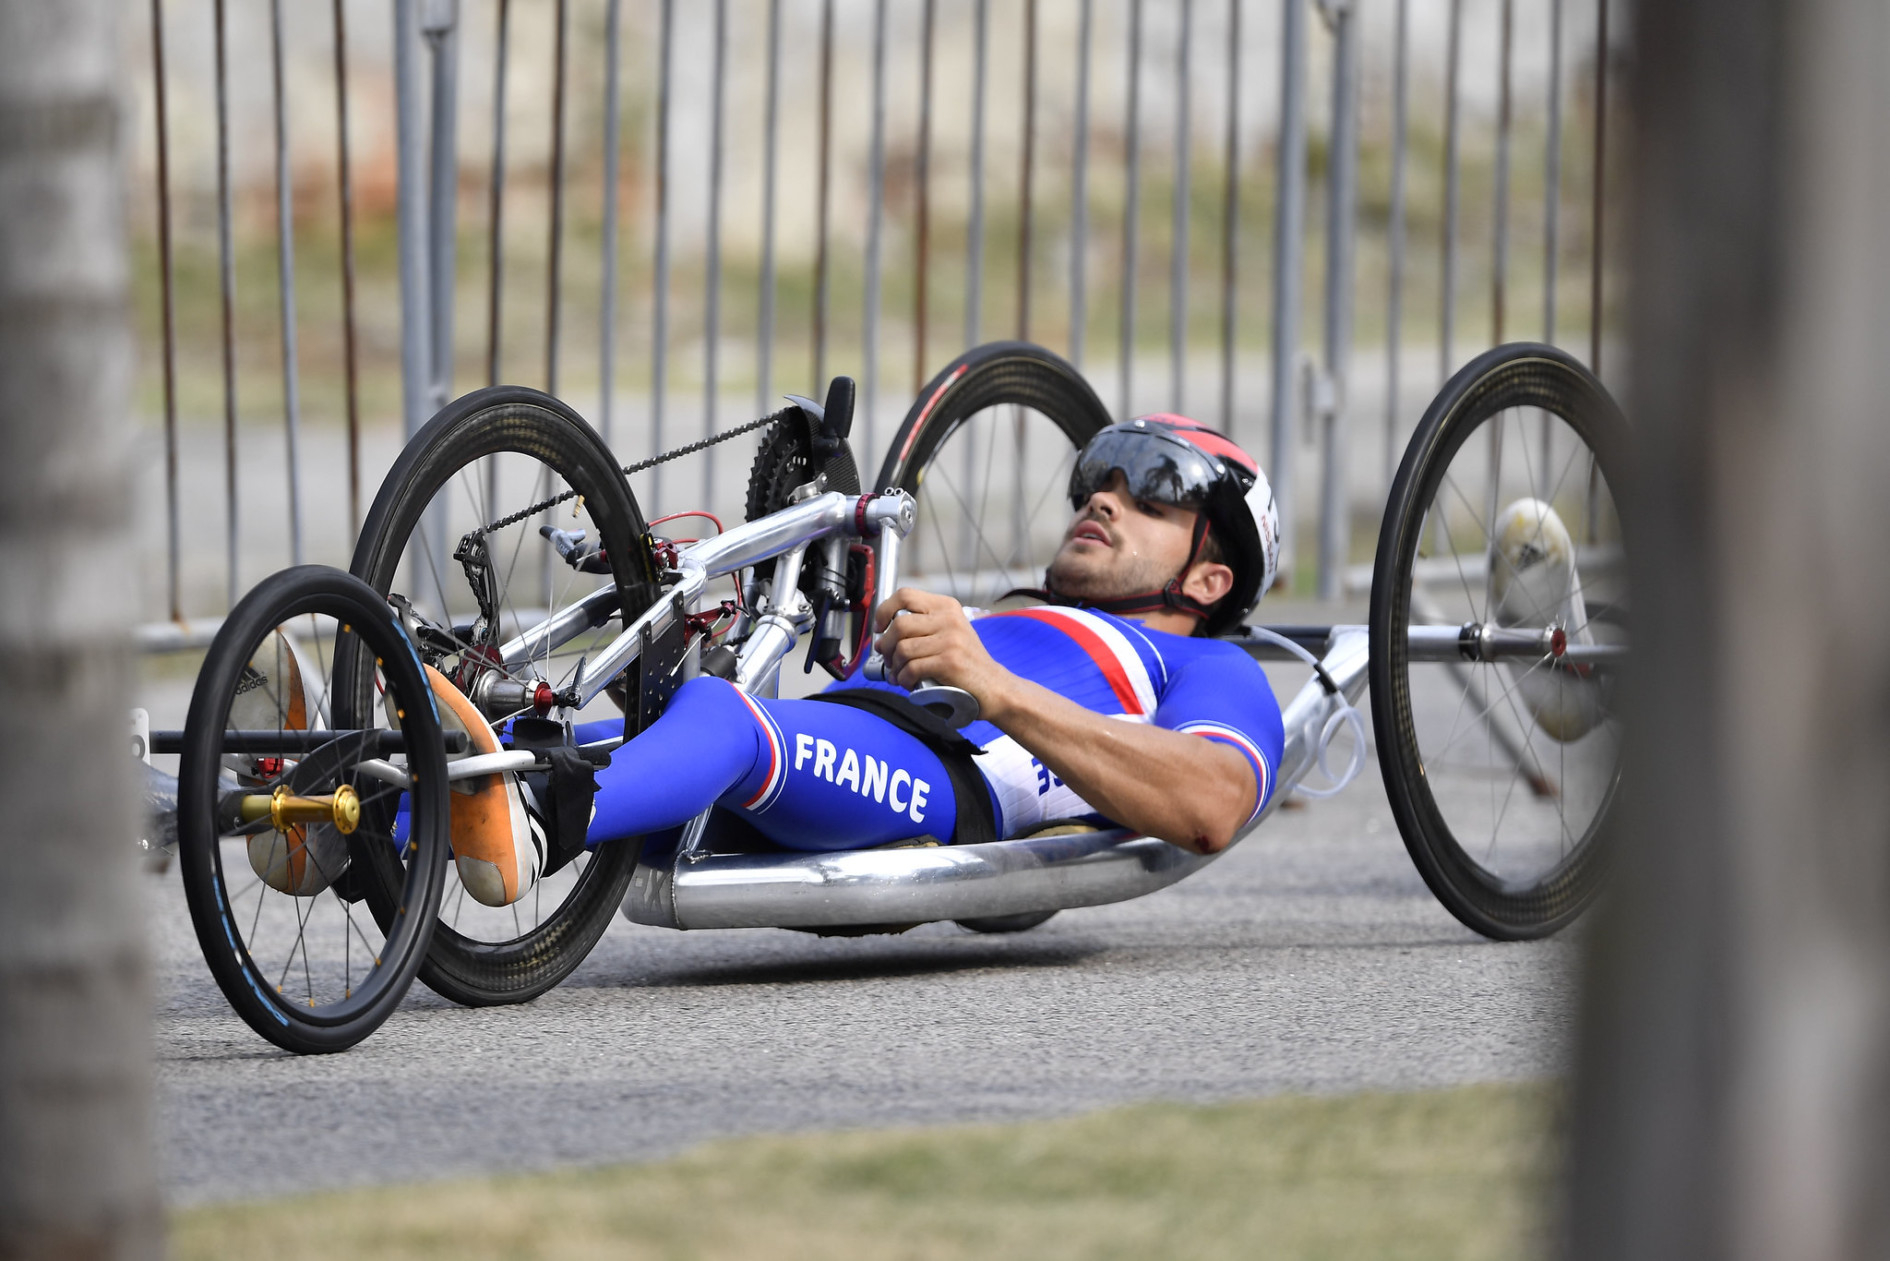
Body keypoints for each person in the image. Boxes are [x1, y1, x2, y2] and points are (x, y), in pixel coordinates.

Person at [441, 415, 1286, 907]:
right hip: (839, 747)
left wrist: (993, 685)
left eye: (1154, 500)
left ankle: (548, 820)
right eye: (1101, 481)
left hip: (945, 779)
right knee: (565, 734)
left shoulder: (1208, 668)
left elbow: (1211, 802)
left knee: (721, 718)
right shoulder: (1011, 612)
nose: (1104, 499)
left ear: (1210, 577)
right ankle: (351, 819)